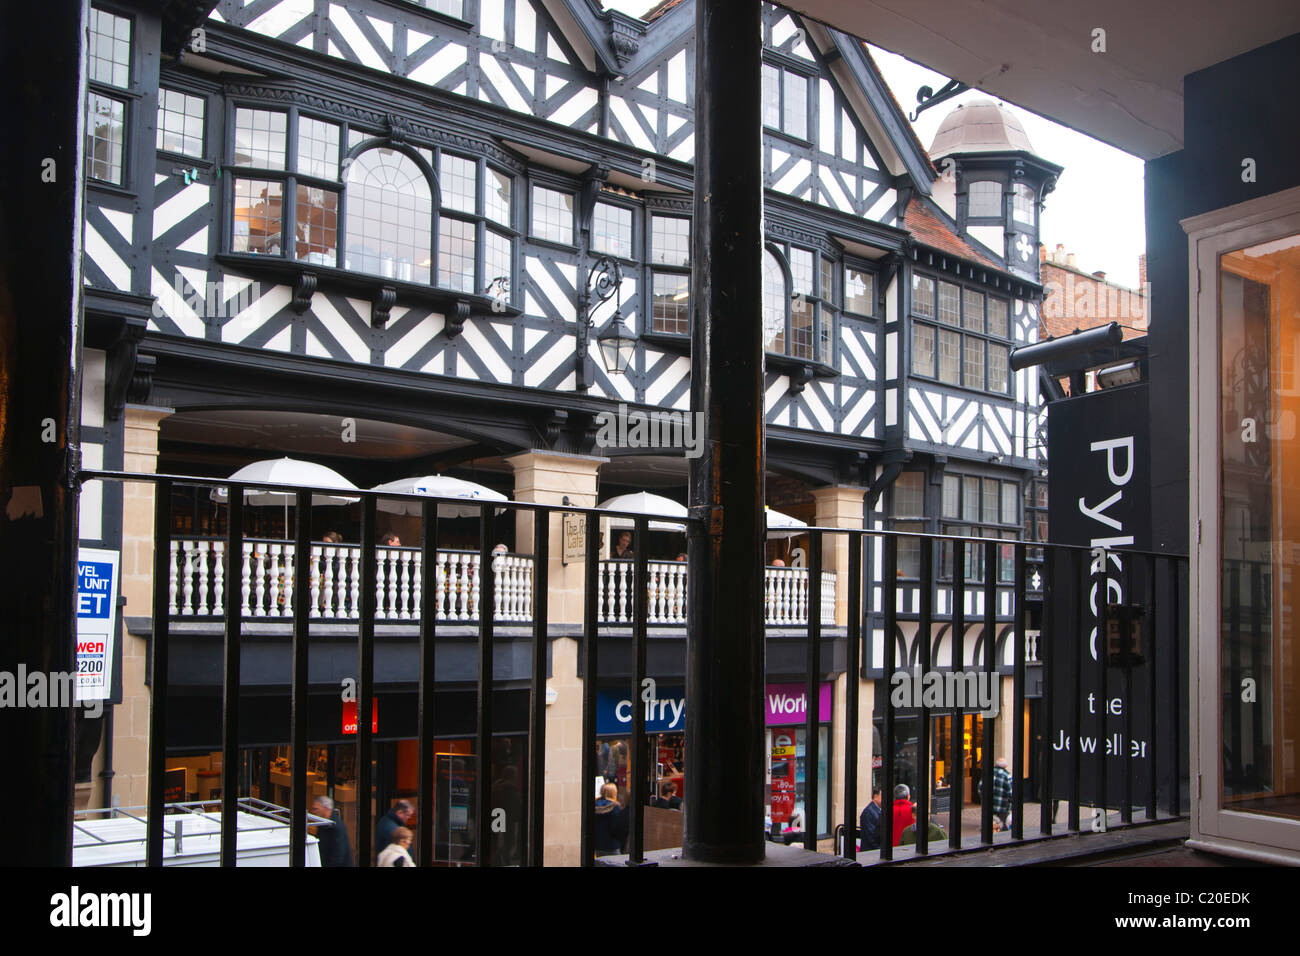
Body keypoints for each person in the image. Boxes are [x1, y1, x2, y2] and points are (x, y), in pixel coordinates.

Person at [311, 795, 353, 867]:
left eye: (316, 809)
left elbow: (339, 855)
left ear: (326, 808)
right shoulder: (322, 824)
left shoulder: (336, 827)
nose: (313, 812)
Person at [593, 782, 628, 857]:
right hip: (612, 845)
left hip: (598, 844)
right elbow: (617, 828)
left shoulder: (594, 805)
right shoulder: (615, 807)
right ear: (613, 793)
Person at [991, 756, 1013, 829]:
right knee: (1002, 823)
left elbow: (980, 787)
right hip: (1002, 805)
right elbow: (1011, 792)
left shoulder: (989, 773)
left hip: (990, 804)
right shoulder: (1007, 776)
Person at [859, 786, 882, 851]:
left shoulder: (877, 810)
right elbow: (871, 835)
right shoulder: (869, 812)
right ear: (875, 797)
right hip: (869, 852)